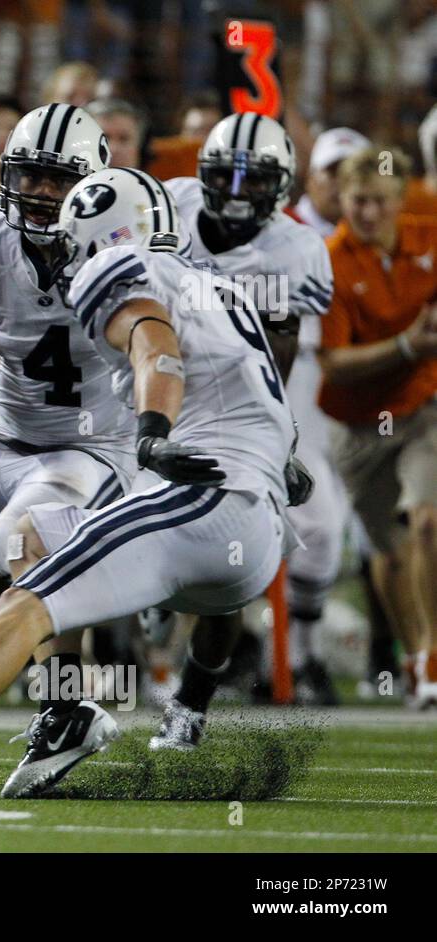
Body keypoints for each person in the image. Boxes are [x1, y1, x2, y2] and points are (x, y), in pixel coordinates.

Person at [0, 167, 308, 798]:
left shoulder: (114, 269)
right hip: (250, 525)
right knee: (1, 572)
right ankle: (40, 716)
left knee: (25, 582)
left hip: (171, 486)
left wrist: (151, 432)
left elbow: (156, 352)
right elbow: (267, 411)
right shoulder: (218, 289)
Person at [0, 103, 132, 765]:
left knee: (11, 547)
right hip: (7, 431)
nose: (38, 191)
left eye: (56, 179)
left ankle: (63, 710)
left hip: (92, 445)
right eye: (28, 174)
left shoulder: (123, 246)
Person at [153, 112, 336, 732]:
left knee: (233, 561)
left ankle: (191, 705)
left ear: (281, 186)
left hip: (236, 407)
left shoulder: (297, 248)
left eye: (250, 179)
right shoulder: (164, 208)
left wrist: (273, 438)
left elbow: (277, 354)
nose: (234, 191)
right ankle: (147, 623)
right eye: (222, 176)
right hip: (150, 386)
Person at [319, 148, 437, 708]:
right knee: (387, 554)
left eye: (379, 201)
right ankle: (416, 657)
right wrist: (406, 346)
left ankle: (433, 656)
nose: (368, 212)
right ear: (341, 199)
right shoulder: (330, 260)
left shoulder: (429, 233)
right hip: (359, 423)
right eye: (357, 200)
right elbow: (333, 362)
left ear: (400, 200)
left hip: (424, 407)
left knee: (428, 521)